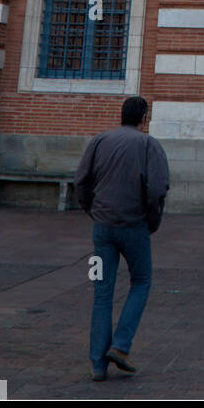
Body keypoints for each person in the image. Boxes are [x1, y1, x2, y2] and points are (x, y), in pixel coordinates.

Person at [74, 96, 170, 381]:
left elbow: (81, 181)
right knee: (141, 281)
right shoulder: (148, 145)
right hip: (134, 226)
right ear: (144, 118)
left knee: (102, 292)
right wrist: (152, 221)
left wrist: (92, 210)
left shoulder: (100, 140)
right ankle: (121, 345)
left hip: (103, 227)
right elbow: (157, 190)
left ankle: (97, 364)